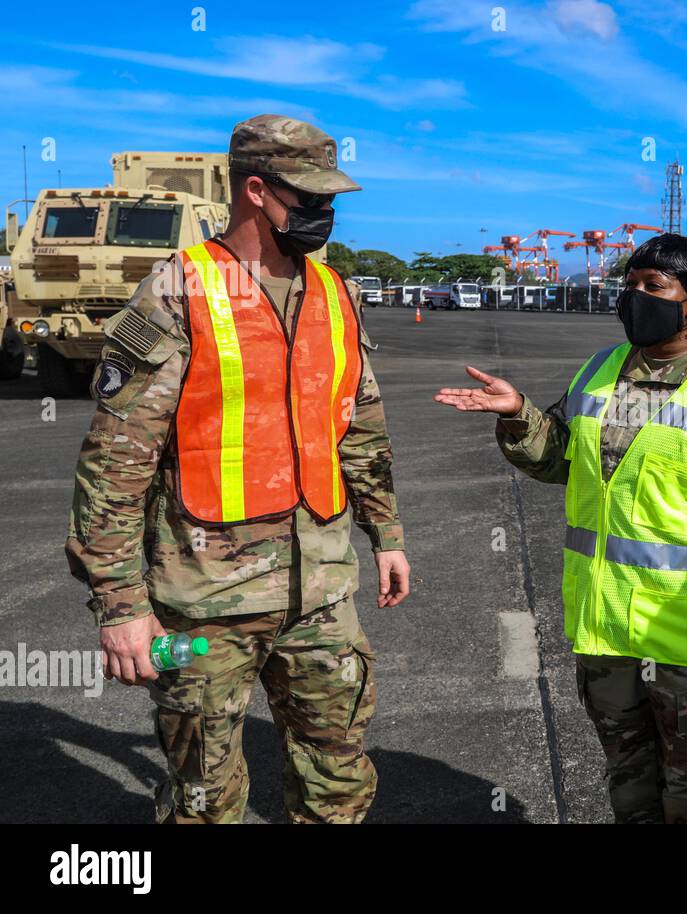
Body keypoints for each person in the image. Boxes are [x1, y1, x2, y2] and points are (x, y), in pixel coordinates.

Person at [66, 114, 411, 824]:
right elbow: (116, 461)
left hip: (320, 594)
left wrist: (389, 535)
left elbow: (360, 426)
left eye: (331, 199)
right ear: (257, 190)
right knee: (204, 800)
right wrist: (121, 607)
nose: (326, 214)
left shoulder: (334, 293)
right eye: (311, 198)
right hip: (202, 603)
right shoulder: (178, 290)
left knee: (340, 786)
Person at [437, 233, 687, 823]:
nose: (635, 296)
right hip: (605, 633)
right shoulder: (601, 370)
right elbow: (560, 459)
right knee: (630, 787)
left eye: (654, 286)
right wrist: (518, 415)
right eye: (630, 284)